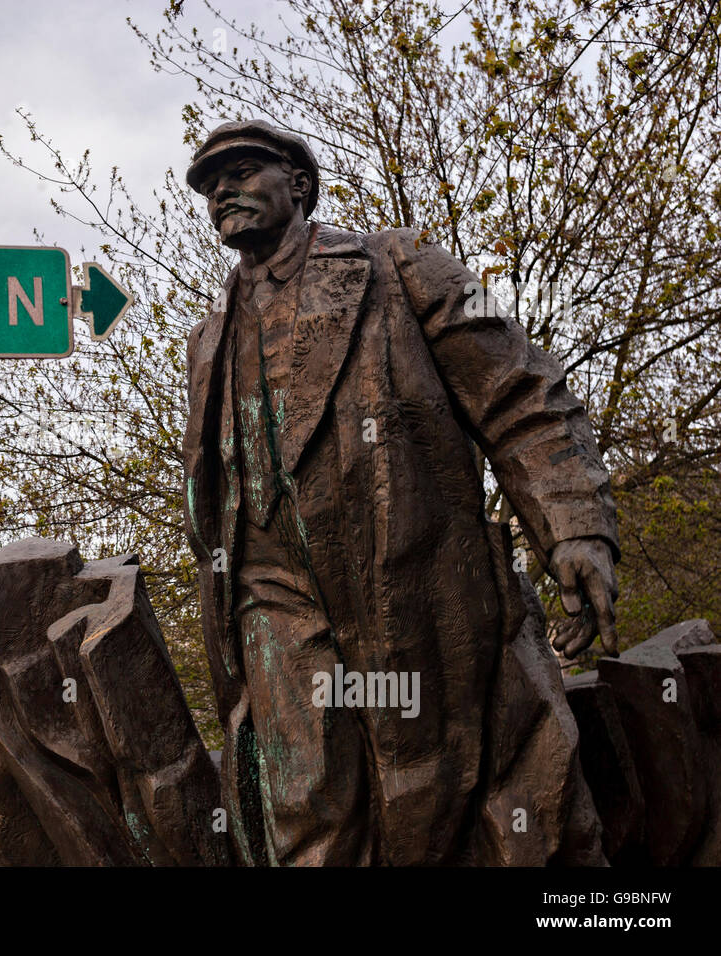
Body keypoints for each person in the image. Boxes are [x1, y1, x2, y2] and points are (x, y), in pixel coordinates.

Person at [182, 120, 618, 865]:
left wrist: (573, 523)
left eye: (243, 169)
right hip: (269, 599)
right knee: (306, 803)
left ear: (300, 184)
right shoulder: (207, 338)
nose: (222, 189)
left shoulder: (397, 265)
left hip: (409, 582)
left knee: (436, 795)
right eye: (208, 183)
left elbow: (517, 390)